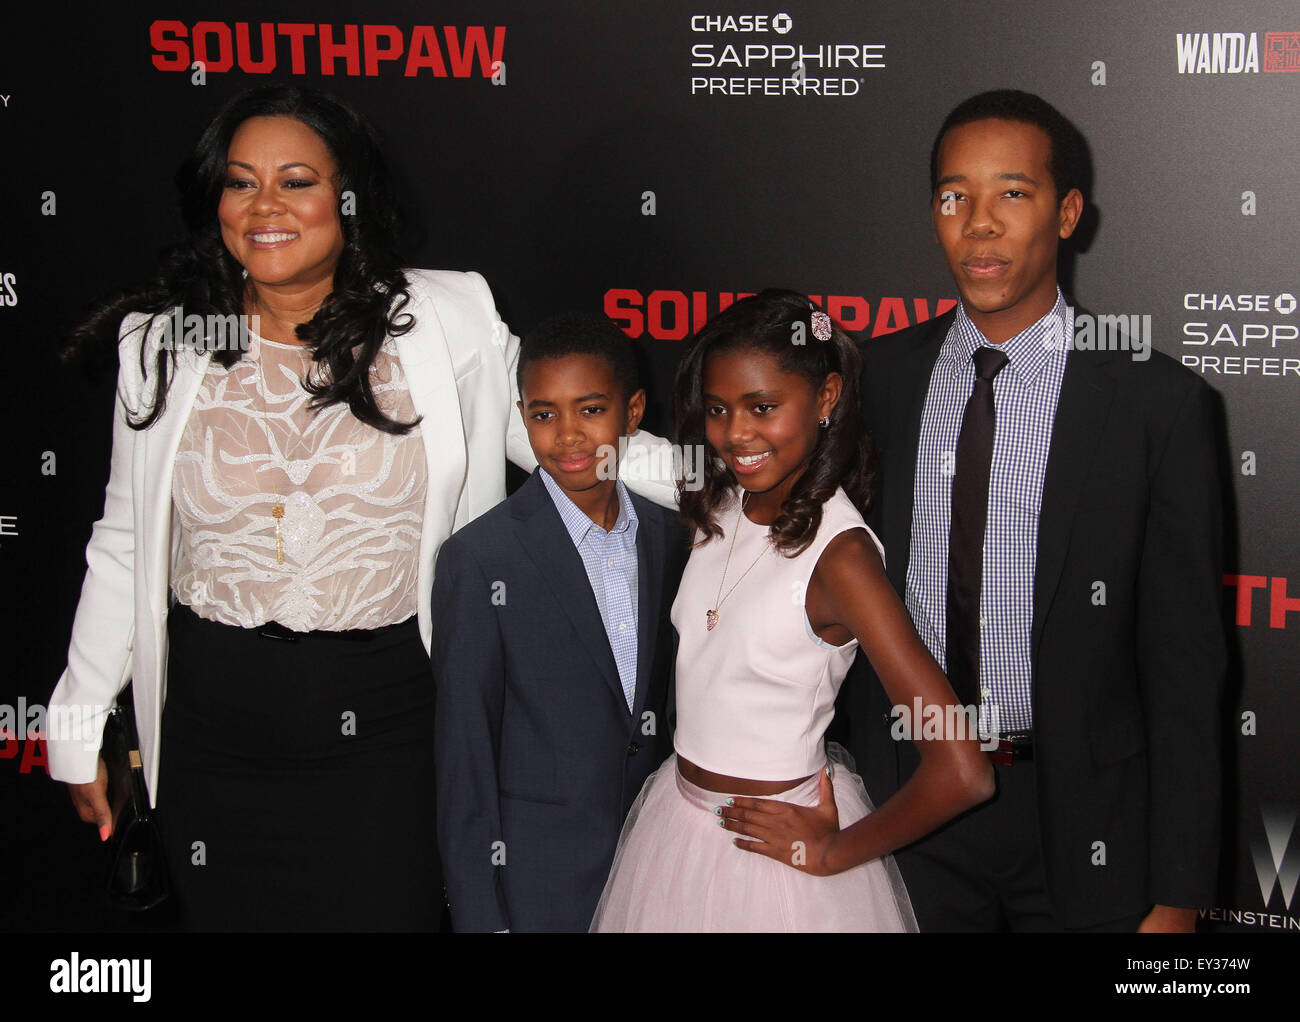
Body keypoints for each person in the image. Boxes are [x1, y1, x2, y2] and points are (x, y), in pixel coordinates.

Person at [44, 85, 671, 931]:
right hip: (211, 734)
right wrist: (79, 720)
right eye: (240, 182)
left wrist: (741, 478)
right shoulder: (163, 344)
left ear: (348, 200)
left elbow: (565, 441)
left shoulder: (445, 319)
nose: (264, 206)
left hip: (388, 730)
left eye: (295, 180)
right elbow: (123, 542)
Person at [844, 89, 1226, 931]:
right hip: (909, 806)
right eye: (954, 197)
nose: (978, 224)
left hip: (1086, 819)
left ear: (1068, 212)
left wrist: (1178, 891)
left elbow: (1187, 669)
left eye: (1011, 194)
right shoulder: (877, 382)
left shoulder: (1156, 403)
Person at [590, 289, 993, 932]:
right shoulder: (721, 502)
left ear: (827, 398)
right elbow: (608, 452)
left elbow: (962, 772)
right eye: (719, 410)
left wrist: (835, 850)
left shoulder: (843, 558)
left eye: (764, 407)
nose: (736, 434)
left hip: (773, 867)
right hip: (679, 827)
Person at [432, 312, 689, 932]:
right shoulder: (479, 557)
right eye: (544, 415)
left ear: (632, 414)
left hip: (659, 868)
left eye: (591, 410)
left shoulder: (670, 540)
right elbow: (464, 758)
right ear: (522, 418)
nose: (568, 436)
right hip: (535, 881)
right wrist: (480, 916)